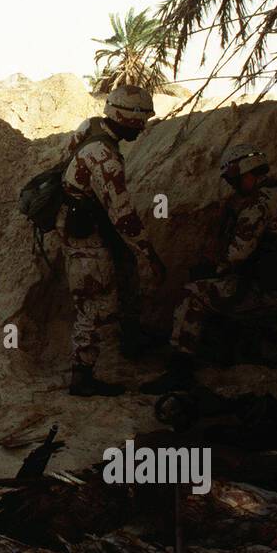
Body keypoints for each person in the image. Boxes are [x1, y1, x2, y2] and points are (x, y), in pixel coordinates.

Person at [141, 143, 277, 394]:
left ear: (248, 172)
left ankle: (180, 370)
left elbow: (237, 254)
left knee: (192, 295)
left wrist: (213, 262)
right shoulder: (276, 193)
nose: (234, 186)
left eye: (236, 179)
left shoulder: (257, 205)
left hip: (266, 289)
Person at [57, 84, 164, 397]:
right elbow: (124, 217)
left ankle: (132, 339)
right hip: (84, 230)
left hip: (84, 217)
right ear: (128, 119)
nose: (142, 129)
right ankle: (82, 374)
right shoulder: (106, 159)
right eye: (140, 121)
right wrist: (150, 254)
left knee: (123, 269)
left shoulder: (90, 127)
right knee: (93, 298)